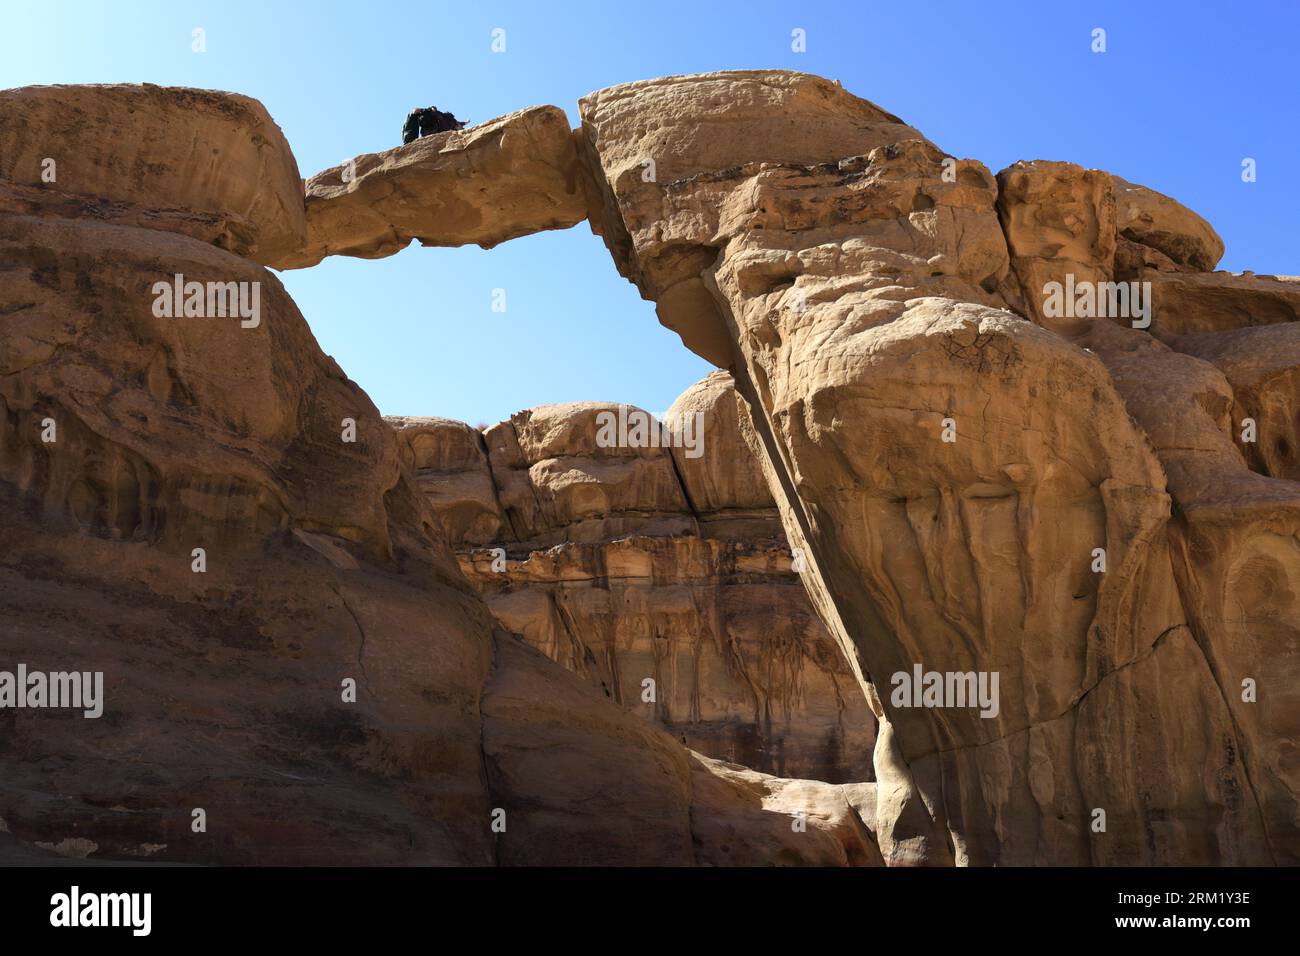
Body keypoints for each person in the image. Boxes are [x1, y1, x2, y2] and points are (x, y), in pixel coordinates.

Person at [401, 106, 468, 144]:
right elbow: (459, 124)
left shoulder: (431, 113)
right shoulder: (448, 120)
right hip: (433, 134)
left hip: (426, 134)